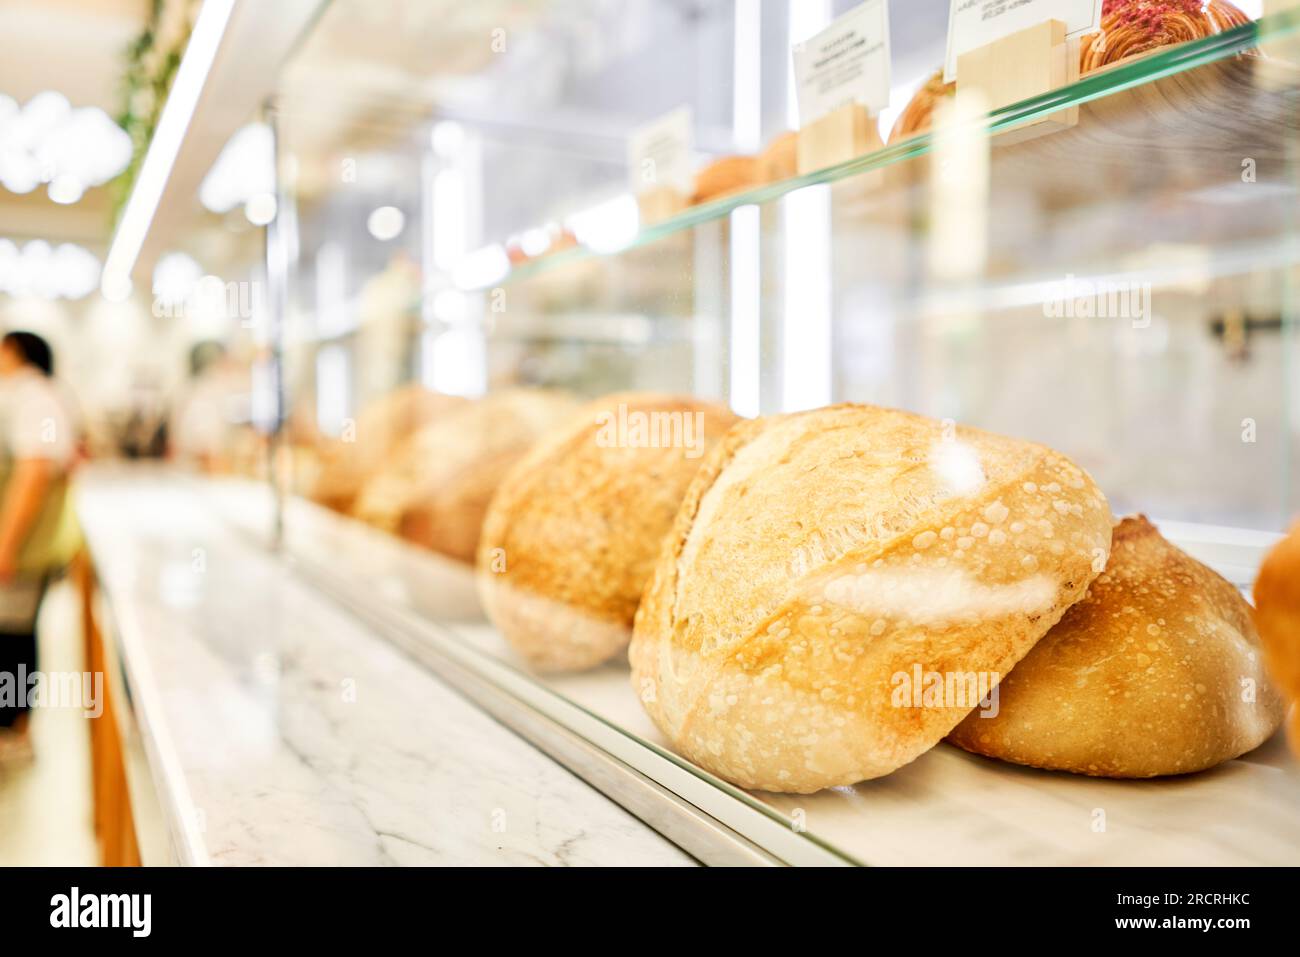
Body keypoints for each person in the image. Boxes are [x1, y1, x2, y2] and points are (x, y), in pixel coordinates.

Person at [0, 331, 81, 762]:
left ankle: (13, 728)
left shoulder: (33, 397)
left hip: (24, 545)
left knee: (11, 636)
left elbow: (32, 473)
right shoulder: (30, 395)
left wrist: (5, 544)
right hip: (23, 544)